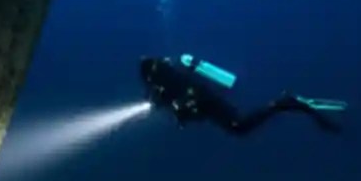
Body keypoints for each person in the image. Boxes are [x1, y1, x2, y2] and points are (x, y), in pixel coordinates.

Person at [138, 55, 346, 136]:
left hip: (211, 103)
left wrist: (183, 106)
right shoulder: (164, 86)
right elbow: (172, 103)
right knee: (239, 127)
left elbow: (195, 92)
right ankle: (286, 103)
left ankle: (284, 103)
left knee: (239, 127)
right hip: (208, 107)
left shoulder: (173, 78)